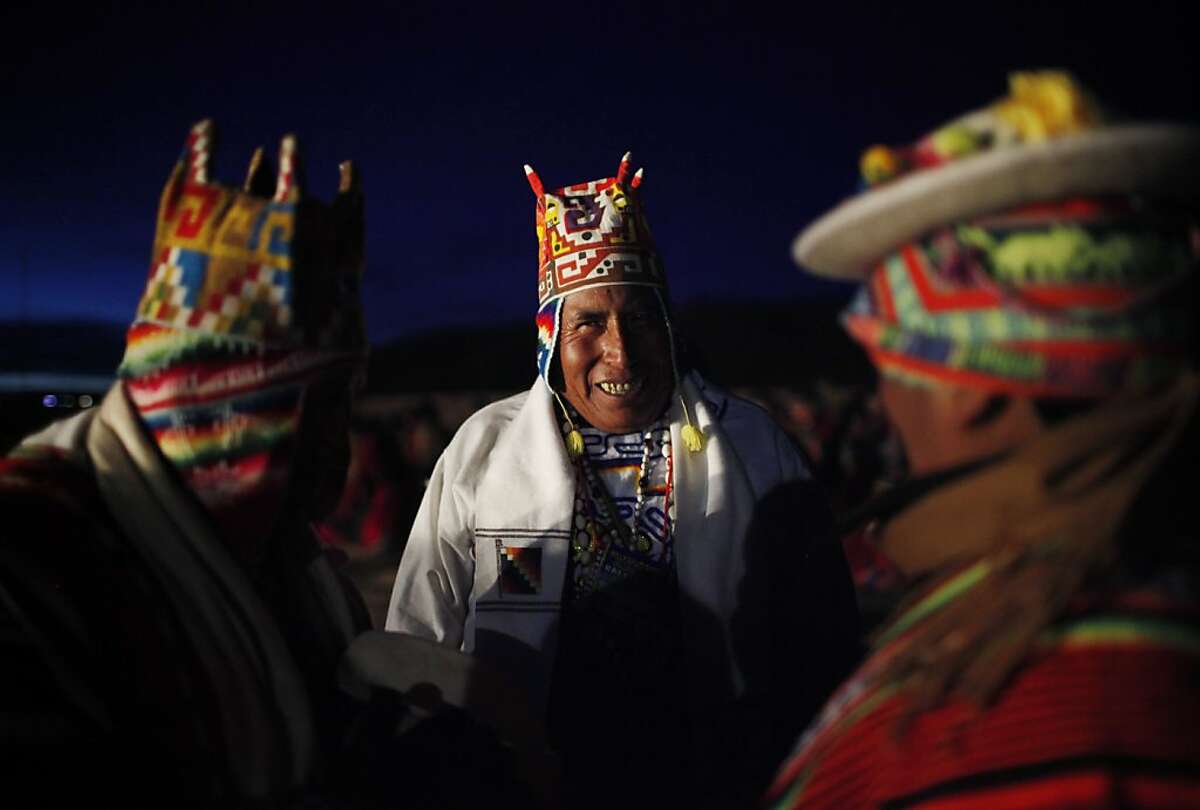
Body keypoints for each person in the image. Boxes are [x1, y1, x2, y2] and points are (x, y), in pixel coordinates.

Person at [0, 122, 538, 809]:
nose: (335, 445)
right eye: (312, 408)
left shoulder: (301, 574)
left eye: (344, 403)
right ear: (213, 406)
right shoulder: (32, 554)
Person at [766, 72, 1200, 808]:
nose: (883, 399)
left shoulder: (961, 723)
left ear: (968, 388)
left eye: (888, 367)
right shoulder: (1149, 588)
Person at [386, 153, 860, 807]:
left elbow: (824, 634)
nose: (620, 350)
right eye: (588, 323)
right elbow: (418, 633)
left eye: (638, 319)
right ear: (551, 338)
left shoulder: (752, 445)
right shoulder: (484, 450)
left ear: (667, 328)